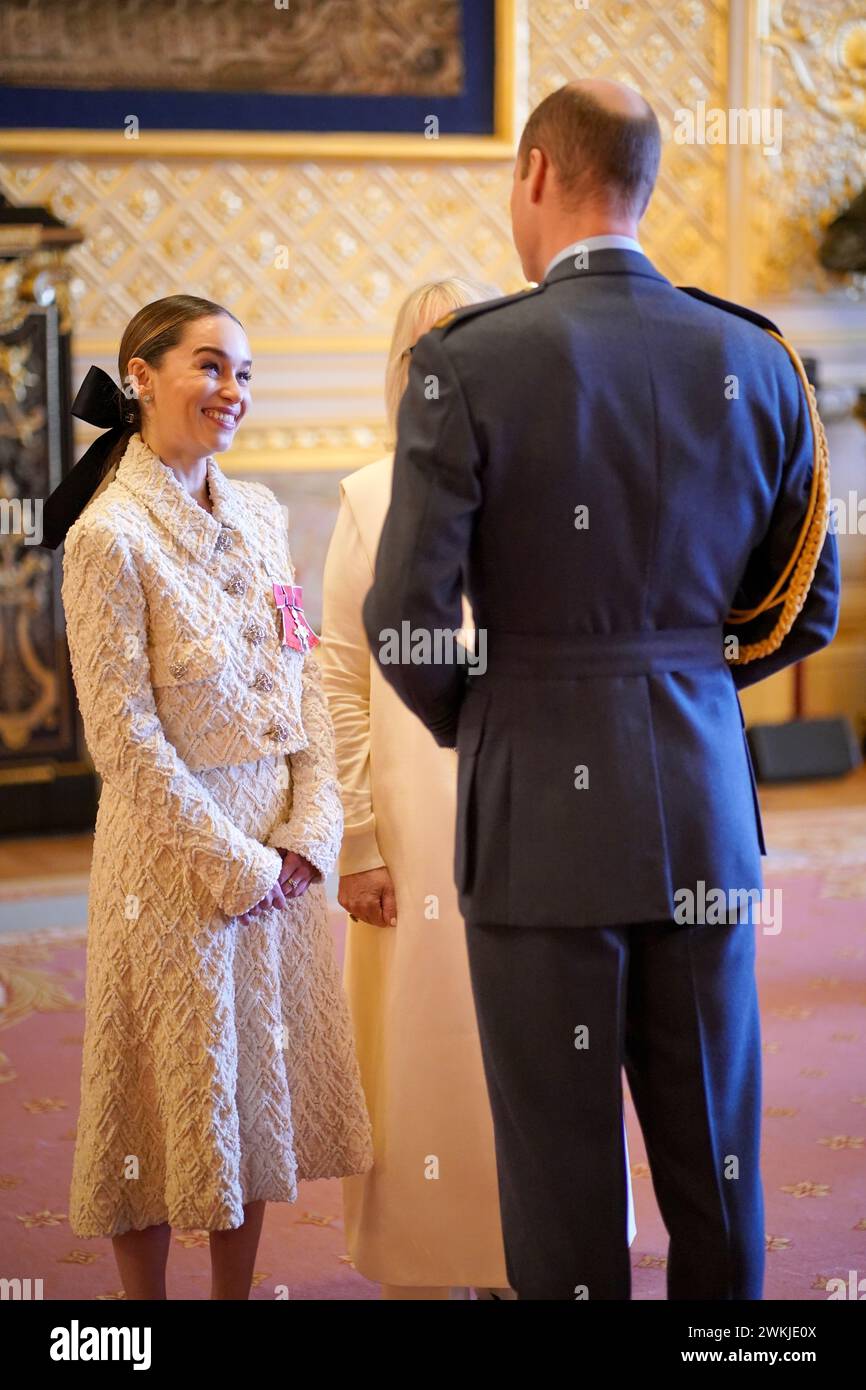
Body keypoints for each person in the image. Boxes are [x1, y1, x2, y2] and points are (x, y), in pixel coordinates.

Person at [362, 80, 840, 1300]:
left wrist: (507, 716)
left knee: (561, 1178)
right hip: (699, 805)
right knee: (716, 1168)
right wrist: (678, 676)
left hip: (536, 827)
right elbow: (805, 605)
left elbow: (403, 624)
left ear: (532, 173)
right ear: (645, 178)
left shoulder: (464, 364)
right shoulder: (755, 356)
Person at [322, 278, 639, 1300]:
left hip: (541, 813)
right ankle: (426, 1264)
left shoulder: (560, 482)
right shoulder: (369, 494)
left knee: (549, 1047)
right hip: (414, 827)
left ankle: (536, 1261)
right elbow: (336, 672)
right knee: (421, 1049)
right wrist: (360, 836)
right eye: (426, 346)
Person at [58, 294, 373, 1299]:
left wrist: (307, 833)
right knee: (157, 1097)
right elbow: (125, 737)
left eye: (243, 372)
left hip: (277, 859)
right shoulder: (107, 537)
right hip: (171, 866)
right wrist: (236, 863)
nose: (232, 391)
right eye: (209, 367)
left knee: (252, 1091)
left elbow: (305, 677)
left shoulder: (261, 513)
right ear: (140, 378)